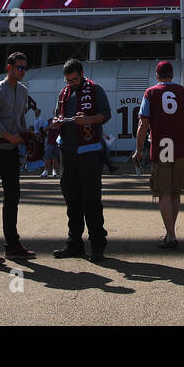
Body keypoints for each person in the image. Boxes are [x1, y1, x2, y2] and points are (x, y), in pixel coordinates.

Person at [50, 58, 112, 260]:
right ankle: (74, 243)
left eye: (75, 79)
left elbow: (106, 114)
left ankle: (97, 245)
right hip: (68, 151)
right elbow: (55, 116)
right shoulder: (64, 93)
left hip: (90, 151)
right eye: (68, 80)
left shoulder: (95, 90)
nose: (72, 83)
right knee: (72, 200)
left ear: (82, 73)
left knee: (91, 200)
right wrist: (57, 123)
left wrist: (88, 120)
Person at [0, 52, 36, 265]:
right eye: (19, 67)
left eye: (24, 68)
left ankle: (12, 246)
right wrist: (12, 136)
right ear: (8, 67)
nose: (22, 71)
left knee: (12, 199)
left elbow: (20, 117)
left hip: (10, 152)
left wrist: (25, 133)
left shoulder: (23, 91)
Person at [133, 60, 184, 249]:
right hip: (180, 146)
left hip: (161, 146)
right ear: (172, 74)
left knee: (163, 193)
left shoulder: (150, 92)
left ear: (157, 75)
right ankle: (171, 231)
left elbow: (143, 124)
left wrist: (138, 148)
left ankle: (170, 234)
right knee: (175, 193)